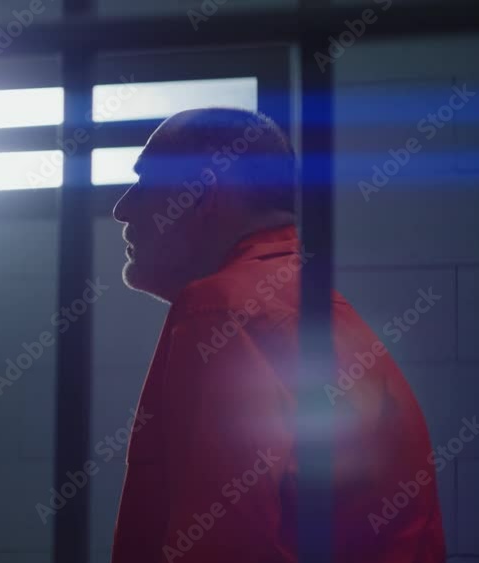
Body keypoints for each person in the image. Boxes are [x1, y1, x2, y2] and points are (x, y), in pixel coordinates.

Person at [109, 107, 446, 563]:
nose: (122, 208)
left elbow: (226, 547)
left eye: (145, 183)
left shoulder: (221, 309)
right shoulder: (315, 307)